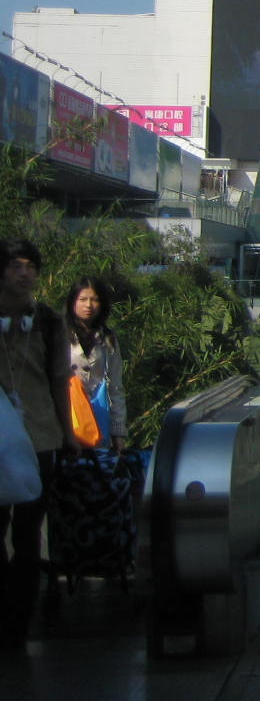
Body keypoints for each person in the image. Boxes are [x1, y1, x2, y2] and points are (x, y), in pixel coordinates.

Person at [0, 238, 74, 649]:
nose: (24, 273)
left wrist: (68, 434)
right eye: (15, 265)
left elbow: (61, 381)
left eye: (30, 265)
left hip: (39, 435)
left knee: (29, 532)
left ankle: (17, 623)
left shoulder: (46, 320)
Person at [62, 277, 128, 453]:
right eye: (83, 299)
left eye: (95, 300)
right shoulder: (59, 335)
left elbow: (115, 387)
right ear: (72, 302)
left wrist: (118, 432)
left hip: (98, 419)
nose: (89, 305)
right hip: (67, 420)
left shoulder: (108, 339)